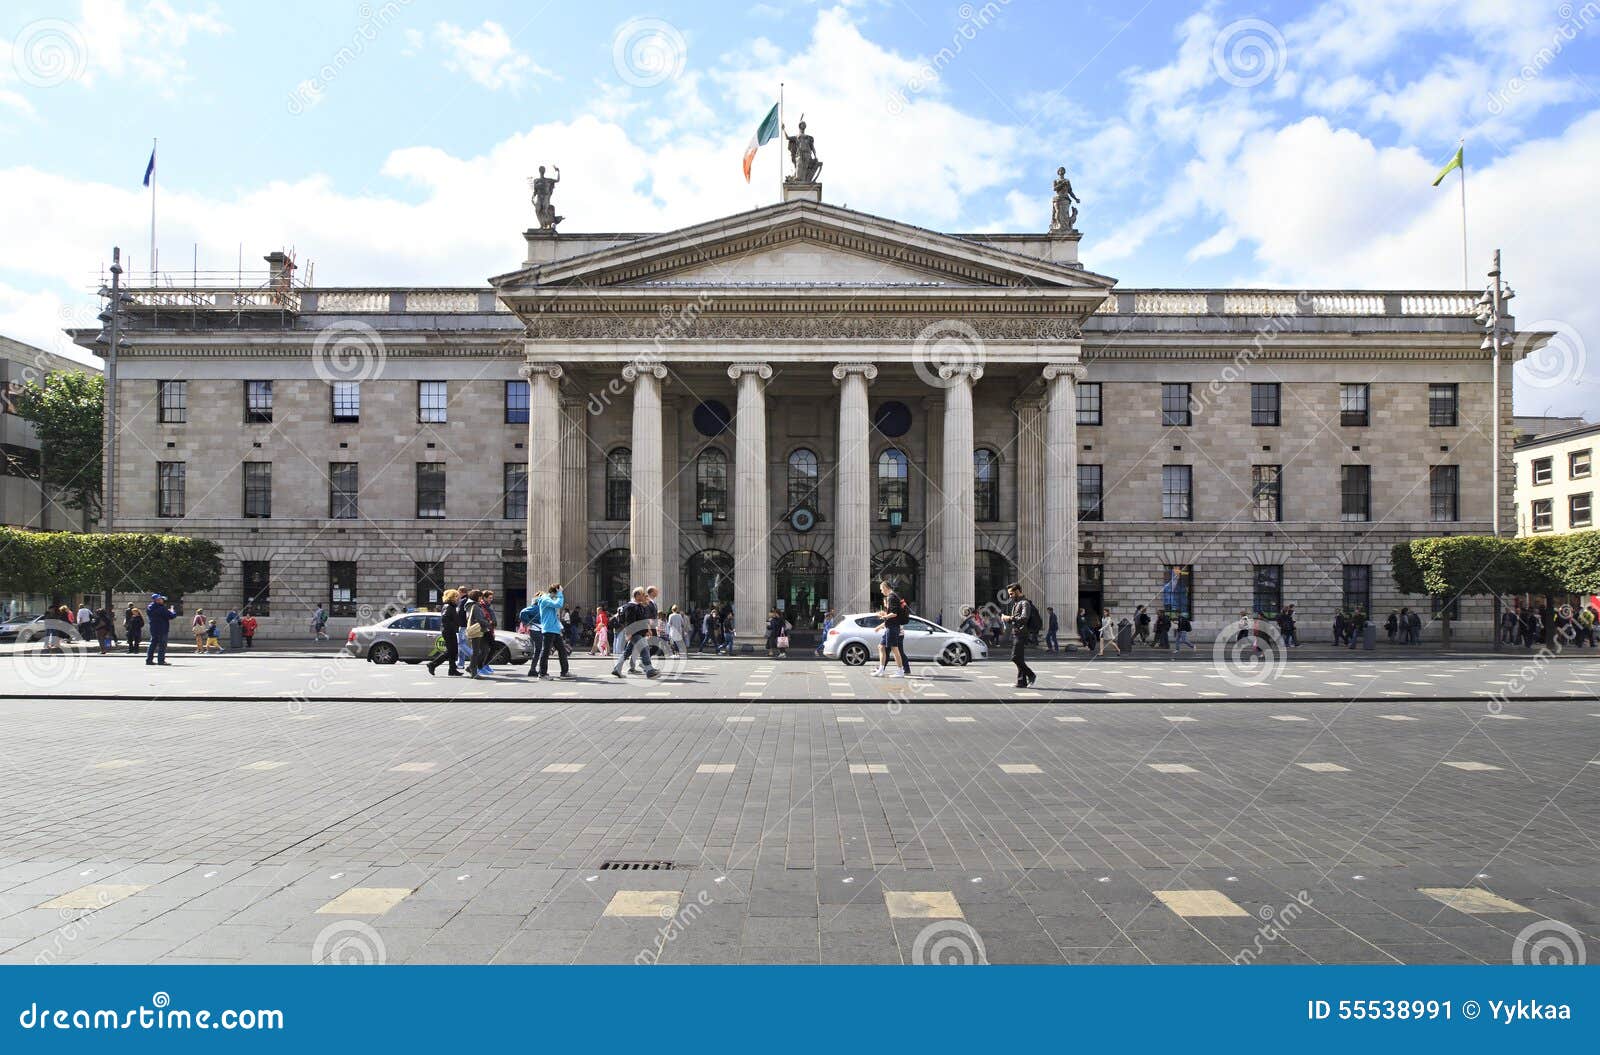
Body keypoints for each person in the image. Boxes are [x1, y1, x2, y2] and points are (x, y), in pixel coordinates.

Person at [611, 587, 659, 678]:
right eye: (642, 594)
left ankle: (617, 669)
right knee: (644, 648)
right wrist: (629, 633)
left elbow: (641, 620)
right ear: (637, 595)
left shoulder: (637, 606)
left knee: (627, 651)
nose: (644, 596)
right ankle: (649, 670)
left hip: (638, 632)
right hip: (634, 633)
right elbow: (630, 622)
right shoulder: (631, 606)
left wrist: (647, 630)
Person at [529, 583, 572, 679]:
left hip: (554, 629)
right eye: (558, 592)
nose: (559, 595)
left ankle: (564, 672)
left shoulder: (549, 599)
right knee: (546, 651)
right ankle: (542, 673)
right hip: (548, 629)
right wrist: (560, 593)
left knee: (562, 651)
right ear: (555, 591)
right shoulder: (545, 599)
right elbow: (559, 604)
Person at [1000, 583, 1039, 688]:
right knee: (1019, 658)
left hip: (1022, 634)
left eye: (1011, 593)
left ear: (1018, 591)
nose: (1010, 596)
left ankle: (1031, 675)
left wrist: (1009, 618)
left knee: (1015, 658)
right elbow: (1017, 620)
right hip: (1017, 633)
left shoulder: (1024, 603)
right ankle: (1021, 682)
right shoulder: (1017, 603)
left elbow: (1024, 618)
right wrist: (1007, 619)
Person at [872, 580, 911, 678]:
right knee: (881, 647)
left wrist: (884, 617)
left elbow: (894, 614)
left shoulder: (891, 597)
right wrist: (884, 615)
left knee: (894, 649)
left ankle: (900, 671)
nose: (881, 591)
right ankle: (881, 670)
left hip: (893, 627)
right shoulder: (894, 596)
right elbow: (894, 613)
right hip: (891, 626)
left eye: (881, 589)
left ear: (885, 587)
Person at [427, 588, 462, 676]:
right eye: (456, 596)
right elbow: (445, 618)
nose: (458, 598)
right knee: (450, 651)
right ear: (452, 597)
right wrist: (452, 625)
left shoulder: (452, 606)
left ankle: (452, 670)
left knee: (454, 651)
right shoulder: (448, 606)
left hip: (450, 630)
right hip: (448, 631)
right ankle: (432, 664)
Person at [464, 589, 494, 678]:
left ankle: (471, 667)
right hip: (477, 630)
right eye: (480, 597)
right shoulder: (475, 606)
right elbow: (479, 619)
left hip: (479, 630)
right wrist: (488, 624)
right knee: (476, 652)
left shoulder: (473, 605)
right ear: (477, 597)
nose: (481, 598)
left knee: (483, 650)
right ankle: (473, 672)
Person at [145, 594, 175, 665]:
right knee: (162, 645)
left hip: (154, 628)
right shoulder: (161, 608)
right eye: (161, 599)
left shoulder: (150, 607)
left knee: (153, 644)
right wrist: (172, 611)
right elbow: (171, 616)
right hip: (162, 628)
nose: (163, 600)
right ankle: (161, 660)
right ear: (157, 600)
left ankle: (149, 660)